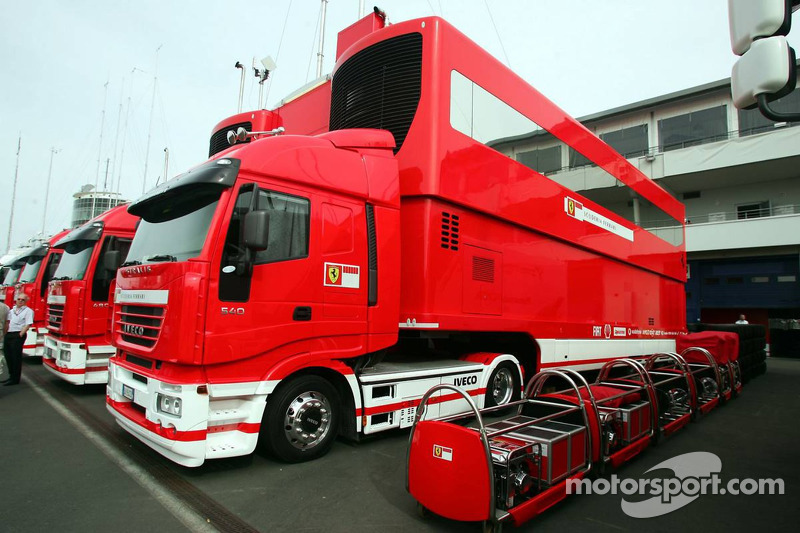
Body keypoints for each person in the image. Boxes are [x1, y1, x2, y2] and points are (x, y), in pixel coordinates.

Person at [4, 293, 33, 386]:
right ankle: (11, 376)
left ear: (26, 301)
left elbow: (28, 324)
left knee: (15, 357)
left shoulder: (28, 311)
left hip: (17, 335)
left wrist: (20, 334)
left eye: (23, 300)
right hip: (8, 334)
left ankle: (15, 379)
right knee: (8, 356)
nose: (20, 301)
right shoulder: (11, 310)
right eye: (19, 299)